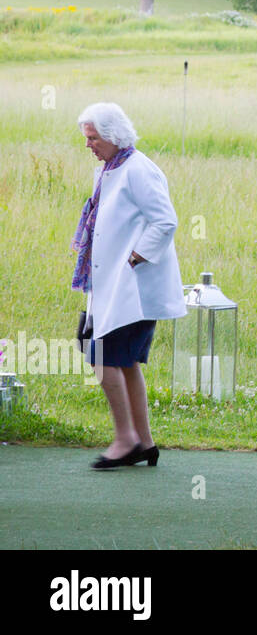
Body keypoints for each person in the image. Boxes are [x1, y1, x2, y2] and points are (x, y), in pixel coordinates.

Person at [73, 103, 187, 469]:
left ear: (113, 135)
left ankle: (126, 440)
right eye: (87, 137)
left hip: (132, 289)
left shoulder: (138, 169)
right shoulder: (108, 169)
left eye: (93, 137)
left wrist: (135, 258)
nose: (89, 144)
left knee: (102, 356)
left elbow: (165, 221)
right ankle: (144, 443)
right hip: (112, 288)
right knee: (123, 362)